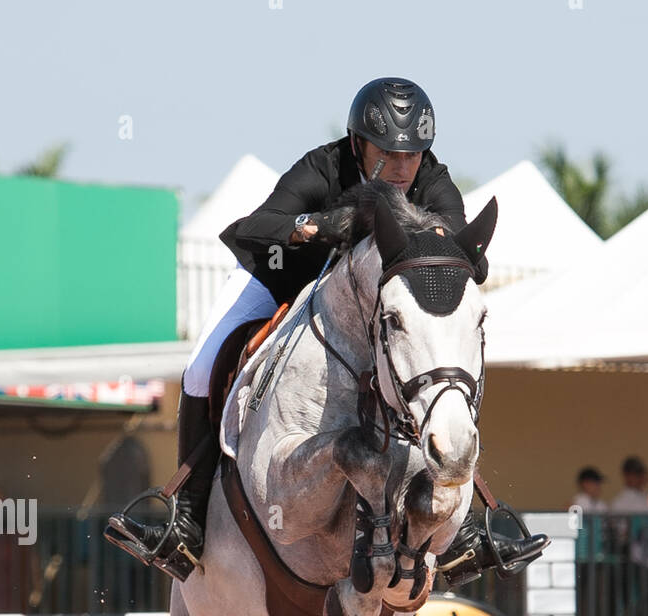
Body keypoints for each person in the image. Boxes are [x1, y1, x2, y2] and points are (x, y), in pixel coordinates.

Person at [106, 78, 542, 587]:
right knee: (202, 365)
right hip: (281, 280)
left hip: (365, 307)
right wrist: (310, 226)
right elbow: (250, 227)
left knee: (437, 357)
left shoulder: (434, 182)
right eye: (388, 153)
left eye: (412, 155)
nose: (402, 168)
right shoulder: (324, 165)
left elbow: (448, 255)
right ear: (358, 143)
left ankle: (463, 527)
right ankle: (187, 517)